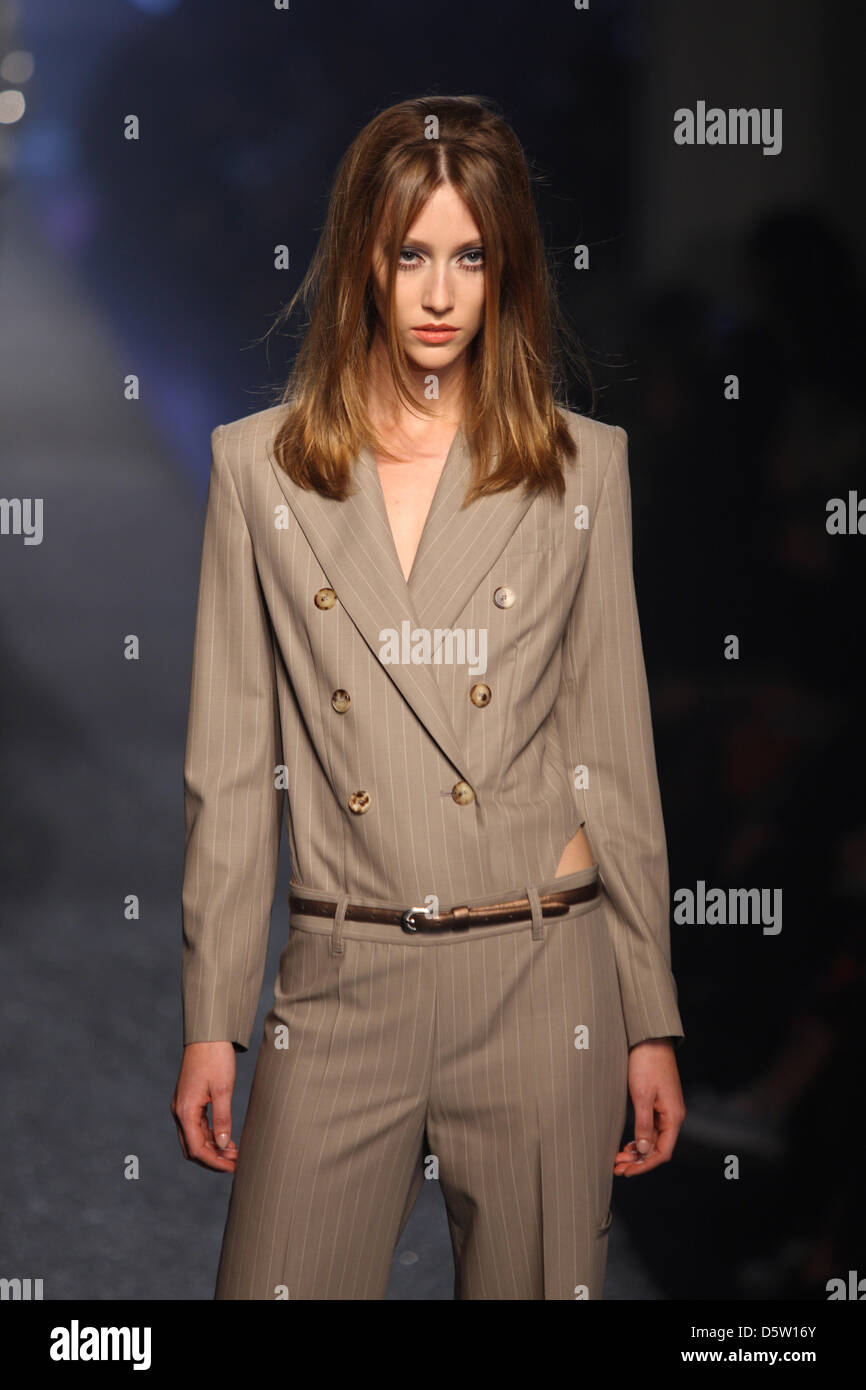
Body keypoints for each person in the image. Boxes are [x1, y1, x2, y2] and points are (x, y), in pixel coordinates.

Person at [170, 93, 686, 1301]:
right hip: (341, 978)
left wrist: (647, 1010)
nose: (440, 293)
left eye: (469, 257)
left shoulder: (579, 468)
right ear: (362, 255)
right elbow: (233, 767)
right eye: (410, 255)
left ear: (505, 271)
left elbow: (610, 757)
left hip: (540, 974)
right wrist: (213, 1016)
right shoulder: (259, 471)